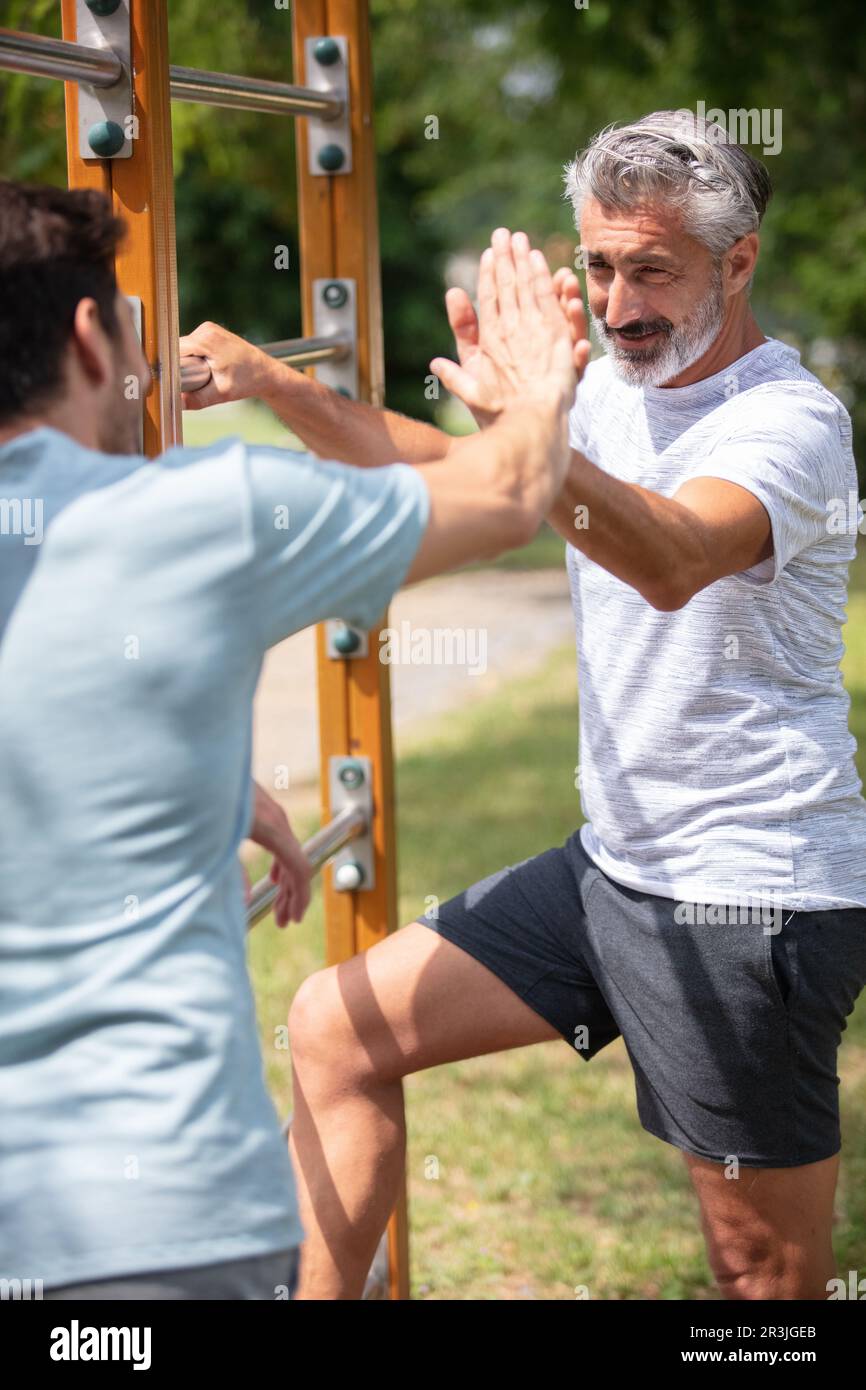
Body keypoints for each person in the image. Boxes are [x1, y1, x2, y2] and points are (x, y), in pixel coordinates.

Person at [183, 110, 866, 1301]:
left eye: (651, 268)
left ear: (737, 259)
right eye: (598, 265)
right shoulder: (600, 392)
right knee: (338, 1027)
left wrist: (530, 435)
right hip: (610, 871)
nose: (616, 304)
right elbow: (432, 465)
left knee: (759, 1275)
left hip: (743, 894)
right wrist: (268, 381)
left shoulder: (789, 423)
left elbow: (667, 558)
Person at [0, 178, 579, 1299]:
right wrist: (541, 377)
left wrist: (210, 782)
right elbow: (508, 495)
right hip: (160, 1225)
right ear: (86, 339)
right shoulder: (203, 511)